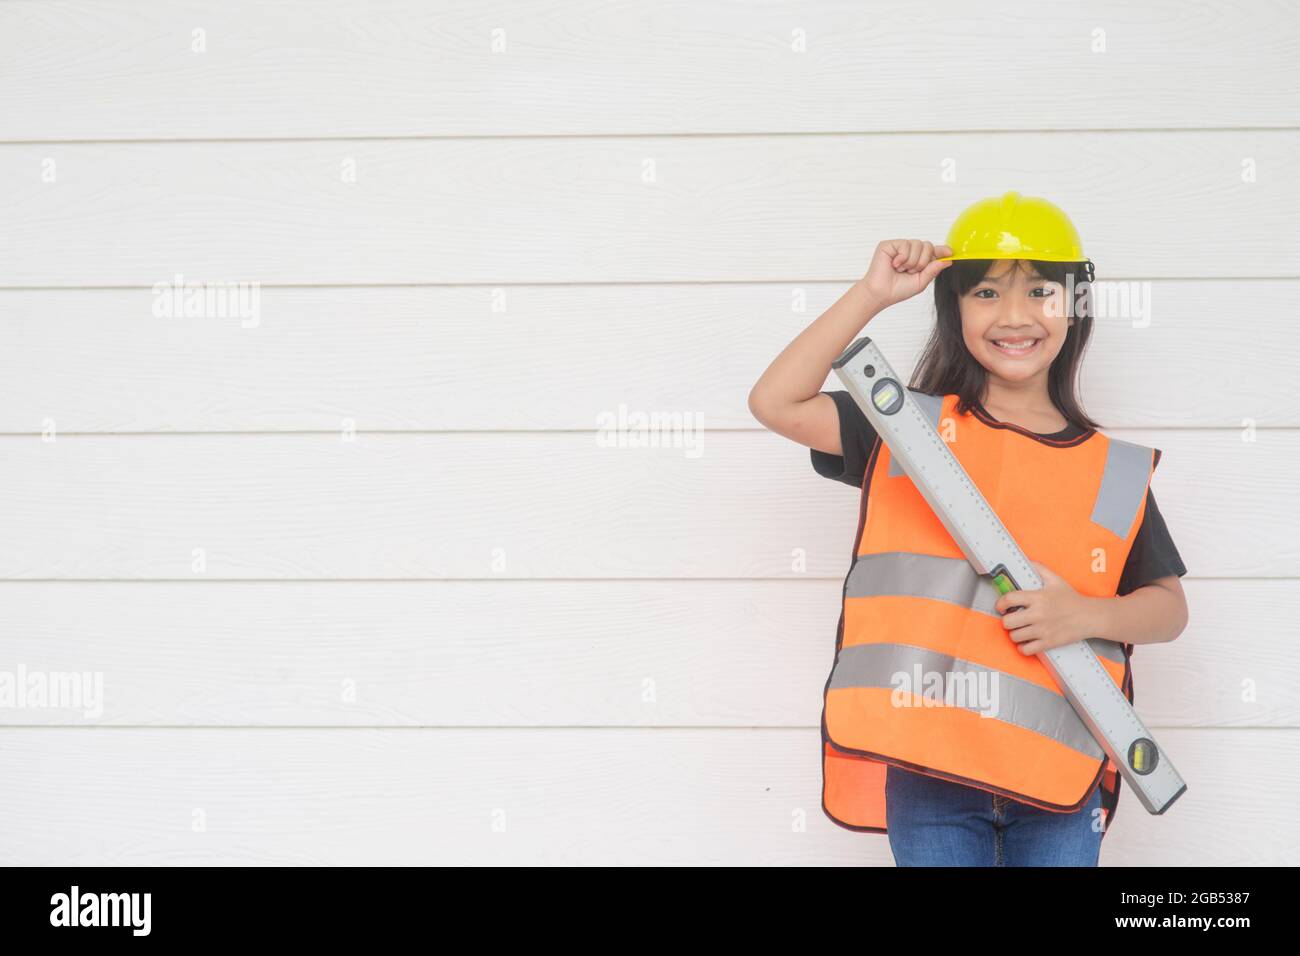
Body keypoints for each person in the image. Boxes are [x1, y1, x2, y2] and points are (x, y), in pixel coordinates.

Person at [747, 192, 1188, 866]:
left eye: (1040, 290)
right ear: (953, 307)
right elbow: (776, 401)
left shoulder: (1113, 471)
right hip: (930, 773)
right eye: (986, 292)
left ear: (1073, 305)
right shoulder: (904, 428)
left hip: (1057, 777)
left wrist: (1084, 614)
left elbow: (1168, 610)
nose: (1015, 316)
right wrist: (872, 294)